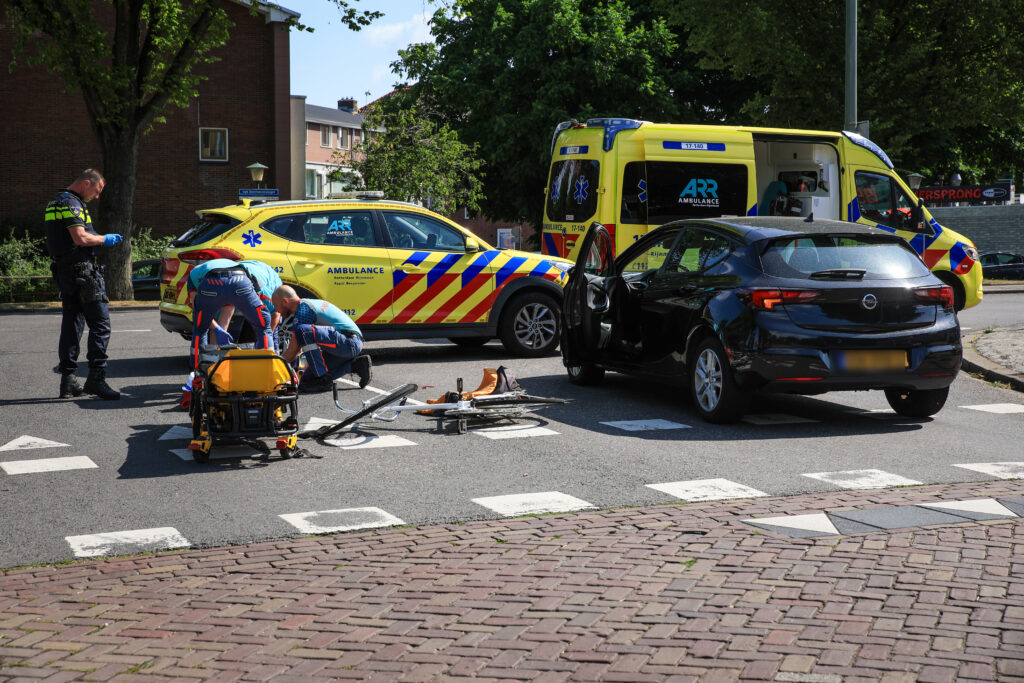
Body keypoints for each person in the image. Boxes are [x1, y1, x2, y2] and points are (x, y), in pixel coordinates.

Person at [46, 168, 122, 400]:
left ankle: (68, 382)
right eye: (97, 190)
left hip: (66, 274)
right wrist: (104, 239)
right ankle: (96, 379)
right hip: (84, 274)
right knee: (101, 325)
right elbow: (80, 237)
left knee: (72, 325)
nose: (97, 196)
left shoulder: (54, 203)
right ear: (87, 183)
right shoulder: (72, 203)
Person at [271, 285, 372, 393]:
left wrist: (273, 365)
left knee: (303, 331)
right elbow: (300, 350)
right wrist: (295, 373)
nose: (277, 311)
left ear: (285, 301)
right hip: (345, 345)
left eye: (276, 306)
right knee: (307, 379)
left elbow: (293, 350)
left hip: (349, 343)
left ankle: (322, 379)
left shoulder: (303, 310)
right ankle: (356, 365)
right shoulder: (306, 304)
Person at [187, 258, 273, 369]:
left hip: (211, 282)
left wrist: (217, 329)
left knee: (200, 329)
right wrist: (220, 328)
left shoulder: (194, 274)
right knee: (263, 328)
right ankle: (268, 370)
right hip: (240, 280)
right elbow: (230, 301)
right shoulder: (237, 264)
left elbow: (197, 309)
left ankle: (199, 371)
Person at [209, 260, 284, 351]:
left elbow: (275, 315)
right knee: (230, 335)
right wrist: (215, 356)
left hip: (264, 275)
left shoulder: (263, 295)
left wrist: (265, 341)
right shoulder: (222, 297)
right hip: (237, 276)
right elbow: (216, 330)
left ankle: (271, 360)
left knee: (268, 338)